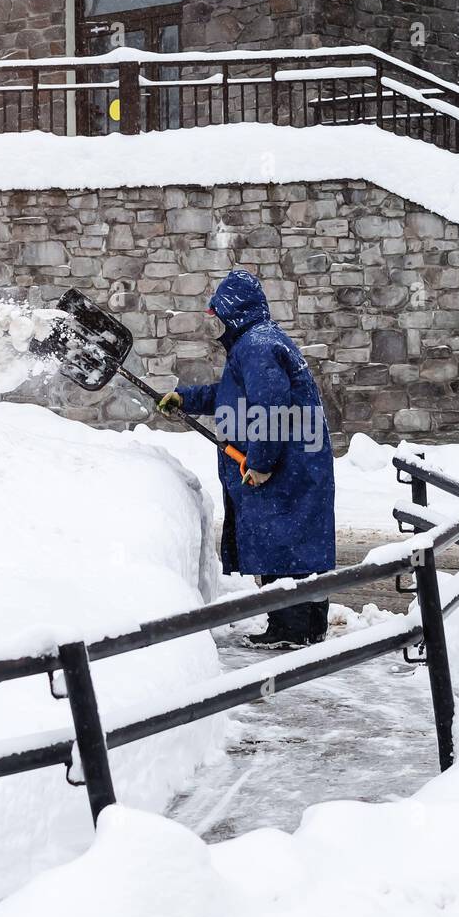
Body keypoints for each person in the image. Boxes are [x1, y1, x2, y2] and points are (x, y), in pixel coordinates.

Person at [159, 270, 336, 648]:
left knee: (284, 547)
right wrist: (187, 398)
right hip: (298, 466)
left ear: (235, 313)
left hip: (286, 471)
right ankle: (309, 627)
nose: (216, 326)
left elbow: (270, 408)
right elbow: (232, 396)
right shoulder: (257, 343)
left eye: (218, 316)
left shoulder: (256, 347)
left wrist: (261, 463)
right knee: (299, 547)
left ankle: (289, 631)